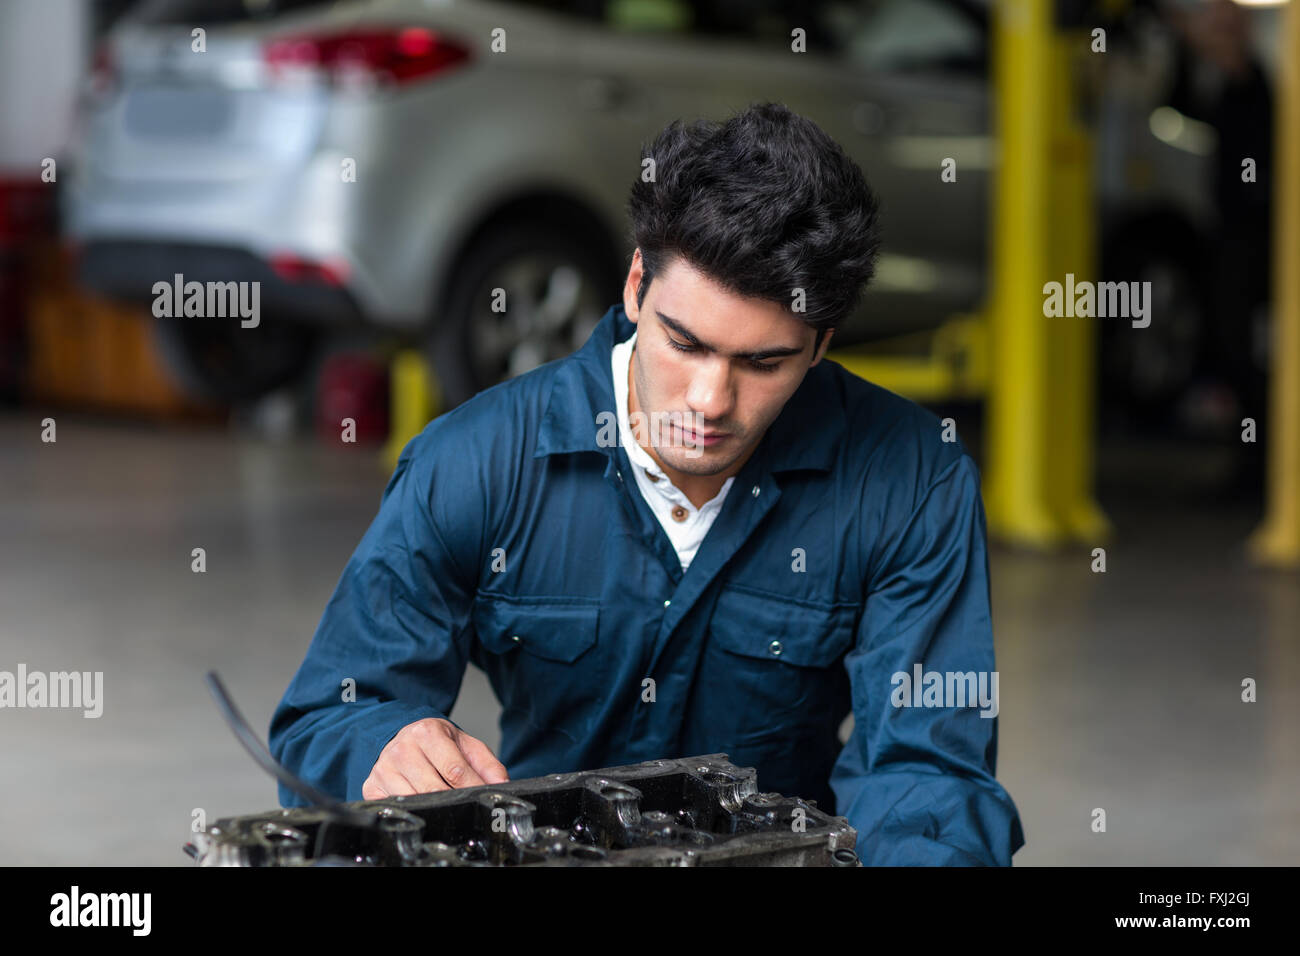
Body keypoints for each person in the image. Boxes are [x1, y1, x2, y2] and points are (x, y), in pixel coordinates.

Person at [269, 102, 1025, 865]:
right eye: (684, 343)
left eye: (763, 362)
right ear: (636, 286)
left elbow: (927, 774)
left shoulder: (912, 481)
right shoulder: (475, 463)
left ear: (821, 343)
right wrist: (383, 743)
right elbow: (327, 716)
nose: (710, 401)